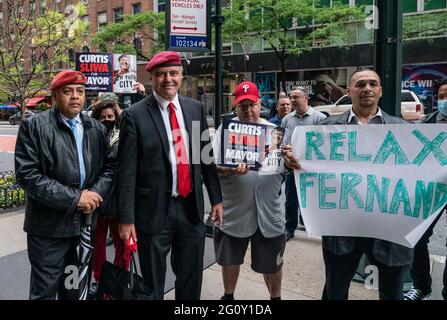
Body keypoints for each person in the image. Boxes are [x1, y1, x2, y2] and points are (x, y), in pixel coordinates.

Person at [117, 51, 223, 300]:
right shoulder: (134, 115)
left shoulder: (195, 109)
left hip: (191, 209)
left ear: (181, 76)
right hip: (153, 213)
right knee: (153, 282)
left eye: (173, 74)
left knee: (191, 276)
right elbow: (126, 173)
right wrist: (126, 219)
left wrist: (216, 198)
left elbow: (205, 158)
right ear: (152, 77)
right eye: (162, 74)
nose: (168, 79)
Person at [14, 70, 116, 300]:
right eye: (67, 92)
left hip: (83, 227)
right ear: (54, 95)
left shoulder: (96, 129)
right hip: (48, 231)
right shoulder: (35, 126)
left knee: (74, 289)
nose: (75, 97)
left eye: (80, 92)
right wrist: (76, 198)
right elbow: (27, 175)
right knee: (45, 293)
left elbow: (110, 169)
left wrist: (95, 194)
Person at [316, 68, 412, 300]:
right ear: (349, 91)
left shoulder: (403, 130)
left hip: (388, 228)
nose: (366, 88)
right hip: (342, 227)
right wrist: (293, 162)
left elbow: (418, 174)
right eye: (360, 84)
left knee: (392, 292)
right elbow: (304, 167)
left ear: (380, 90)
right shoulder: (326, 129)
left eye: (372, 84)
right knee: (335, 290)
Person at [213, 81, 301, 300]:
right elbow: (211, 166)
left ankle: (276, 298)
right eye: (242, 105)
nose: (248, 109)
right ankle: (228, 296)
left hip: (268, 211)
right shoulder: (225, 130)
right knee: (230, 259)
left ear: (260, 104)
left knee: (272, 264)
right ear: (235, 107)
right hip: (235, 211)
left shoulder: (274, 132)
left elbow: (288, 167)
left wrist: (290, 161)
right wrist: (228, 168)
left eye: (251, 104)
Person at [403, 79, 447, 300]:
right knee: (417, 236)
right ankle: (421, 285)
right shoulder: (425, 124)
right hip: (432, 188)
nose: (444, 100)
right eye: (441, 96)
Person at [90, 101, 126, 295]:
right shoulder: (90, 138)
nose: (106, 120)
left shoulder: (124, 136)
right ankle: (99, 279)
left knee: (123, 245)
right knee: (97, 246)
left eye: (110, 117)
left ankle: (118, 279)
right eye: (102, 117)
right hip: (98, 201)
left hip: (119, 202)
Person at [281, 87, 326, 240]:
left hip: (311, 168)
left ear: (305, 98)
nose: (292, 100)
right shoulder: (287, 119)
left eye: (296, 97)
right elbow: (283, 141)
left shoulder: (319, 118)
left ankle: (312, 224)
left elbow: (325, 144)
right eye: (291, 97)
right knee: (291, 200)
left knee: (311, 199)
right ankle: (290, 228)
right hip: (292, 168)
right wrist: (286, 153)